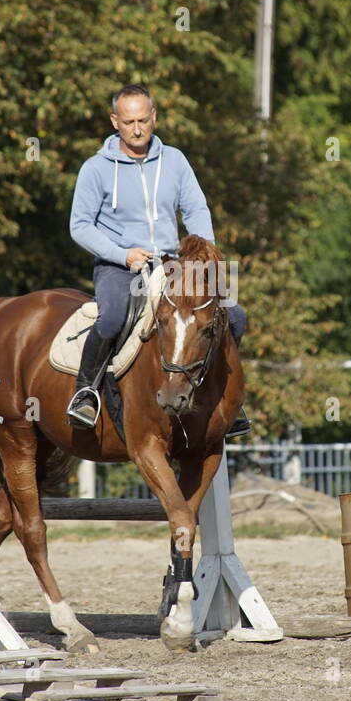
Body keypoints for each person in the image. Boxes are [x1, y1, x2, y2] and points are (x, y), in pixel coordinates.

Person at [66, 84, 249, 437]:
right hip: (120, 265)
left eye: (143, 120)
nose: (137, 129)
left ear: (154, 117)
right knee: (113, 316)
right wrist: (122, 254)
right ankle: (84, 393)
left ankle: (227, 403)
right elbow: (79, 226)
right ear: (114, 121)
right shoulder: (96, 169)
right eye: (129, 121)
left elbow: (195, 208)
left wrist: (202, 258)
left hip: (173, 265)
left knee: (233, 314)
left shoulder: (175, 160)